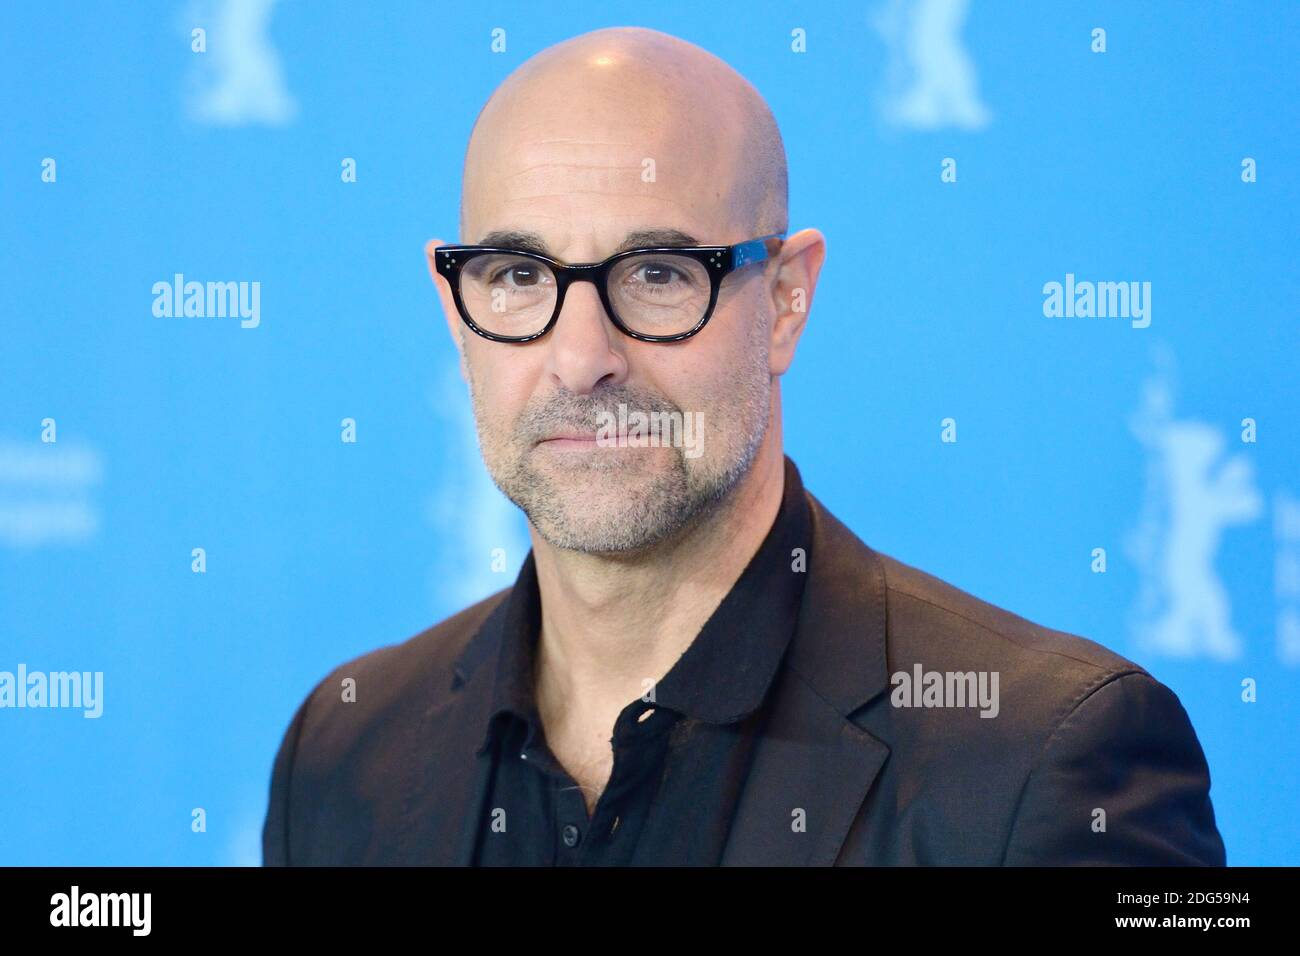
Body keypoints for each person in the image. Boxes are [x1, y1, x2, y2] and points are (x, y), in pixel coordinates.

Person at [262, 26, 1225, 866]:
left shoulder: (1045, 759)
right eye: (518, 274)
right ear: (456, 311)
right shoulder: (342, 750)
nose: (582, 359)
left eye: (657, 273)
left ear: (786, 301)